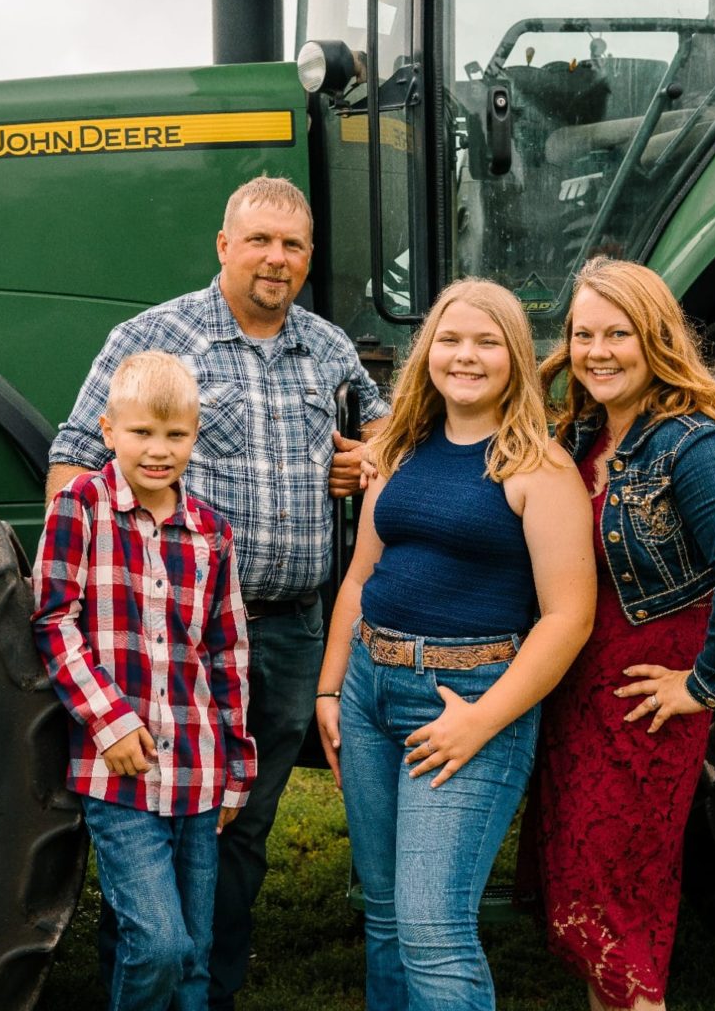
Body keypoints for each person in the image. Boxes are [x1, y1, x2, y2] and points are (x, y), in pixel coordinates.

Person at [45, 174, 389, 1011]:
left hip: (282, 632)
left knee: (238, 827)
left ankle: (210, 989)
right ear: (224, 246)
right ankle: (141, 976)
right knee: (141, 828)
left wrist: (367, 457)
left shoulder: (328, 350)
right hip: (165, 641)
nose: (278, 258)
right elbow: (71, 461)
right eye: (261, 241)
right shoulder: (158, 337)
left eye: (294, 245)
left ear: (309, 257)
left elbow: (386, 424)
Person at [316, 278, 596, 1011]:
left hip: (468, 703)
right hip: (369, 694)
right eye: (449, 339)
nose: (464, 356)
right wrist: (329, 689)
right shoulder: (403, 451)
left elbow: (568, 618)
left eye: (486, 341)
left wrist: (481, 719)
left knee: (432, 929)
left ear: (514, 357)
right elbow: (358, 581)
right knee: (383, 917)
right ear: (426, 353)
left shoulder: (539, 467)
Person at [524, 258, 715, 1011]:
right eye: (582, 335)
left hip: (645, 702)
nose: (597, 351)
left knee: (620, 895)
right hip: (578, 691)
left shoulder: (687, 443)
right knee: (585, 886)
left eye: (617, 334)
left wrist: (703, 685)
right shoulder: (580, 438)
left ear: (655, 339)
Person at [31, 350, 255, 1011]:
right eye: (142, 433)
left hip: (198, 772)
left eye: (175, 435)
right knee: (156, 941)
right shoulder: (81, 507)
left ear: (194, 436)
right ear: (107, 430)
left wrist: (238, 768)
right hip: (118, 772)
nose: (159, 451)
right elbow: (51, 619)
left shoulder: (211, 533)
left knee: (192, 955)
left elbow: (228, 655)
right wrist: (110, 719)